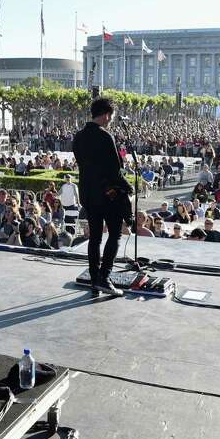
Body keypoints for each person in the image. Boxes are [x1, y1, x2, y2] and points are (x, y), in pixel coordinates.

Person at [73, 98, 132, 296]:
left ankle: (94, 279)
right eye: (111, 117)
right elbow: (115, 171)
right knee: (115, 234)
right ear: (107, 115)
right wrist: (128, 187)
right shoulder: (106, 137)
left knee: (95, 238)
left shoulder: (78, 137)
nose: (111, 120)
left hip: (88, 194)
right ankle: (104, 278)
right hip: (107, 195)